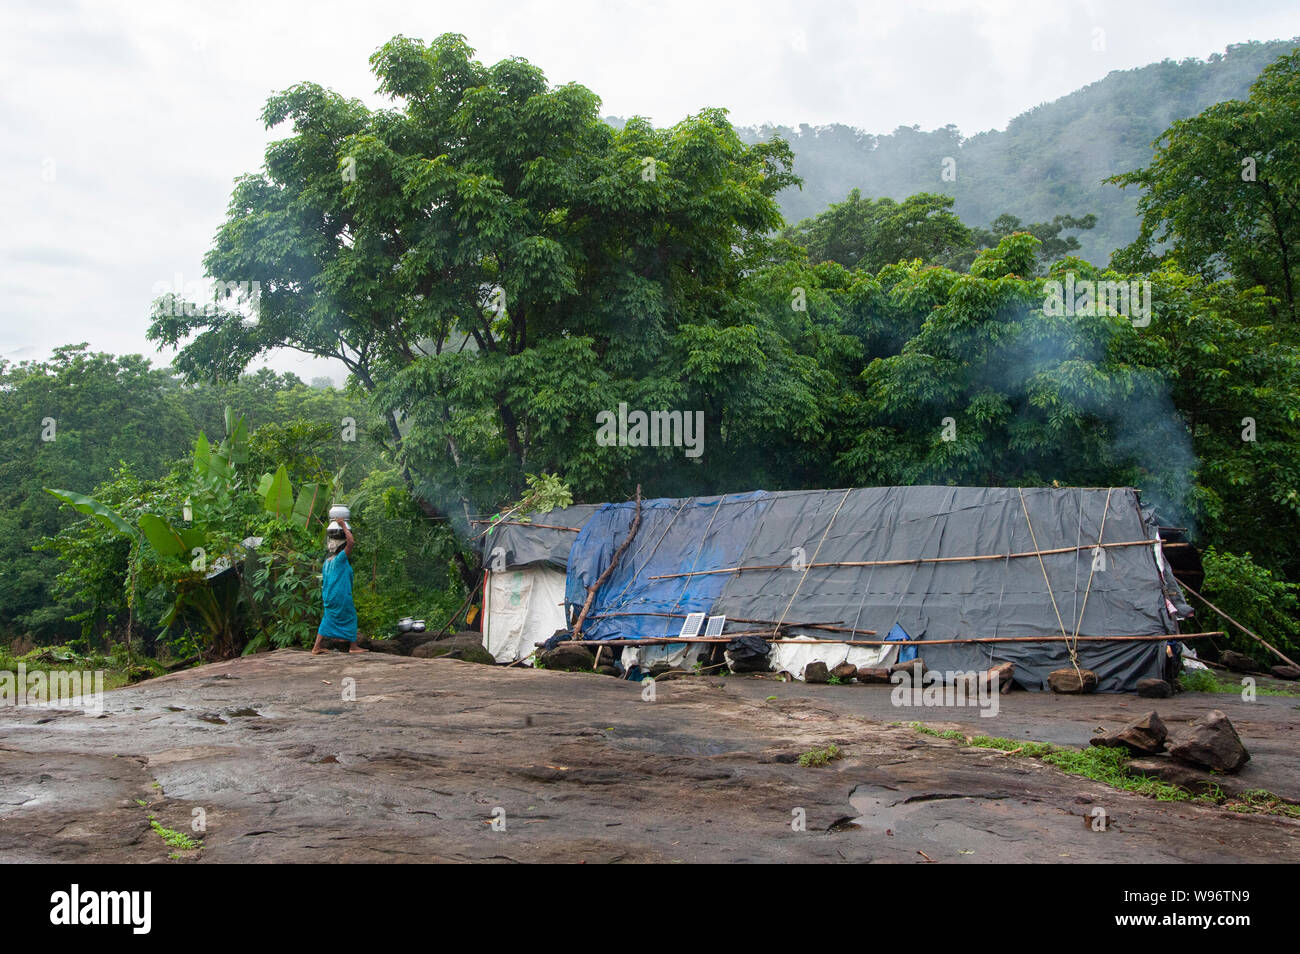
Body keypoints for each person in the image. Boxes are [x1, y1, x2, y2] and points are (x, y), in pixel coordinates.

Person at [312, 517, 367, 655]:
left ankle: (316, 647)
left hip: (328, 596)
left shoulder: (327, 562)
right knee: (351, 616)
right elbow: (351, 542)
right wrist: (343, 525)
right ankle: (353, 647)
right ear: (341, 547)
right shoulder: (340, 560)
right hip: (340, 596)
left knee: (327, 619)